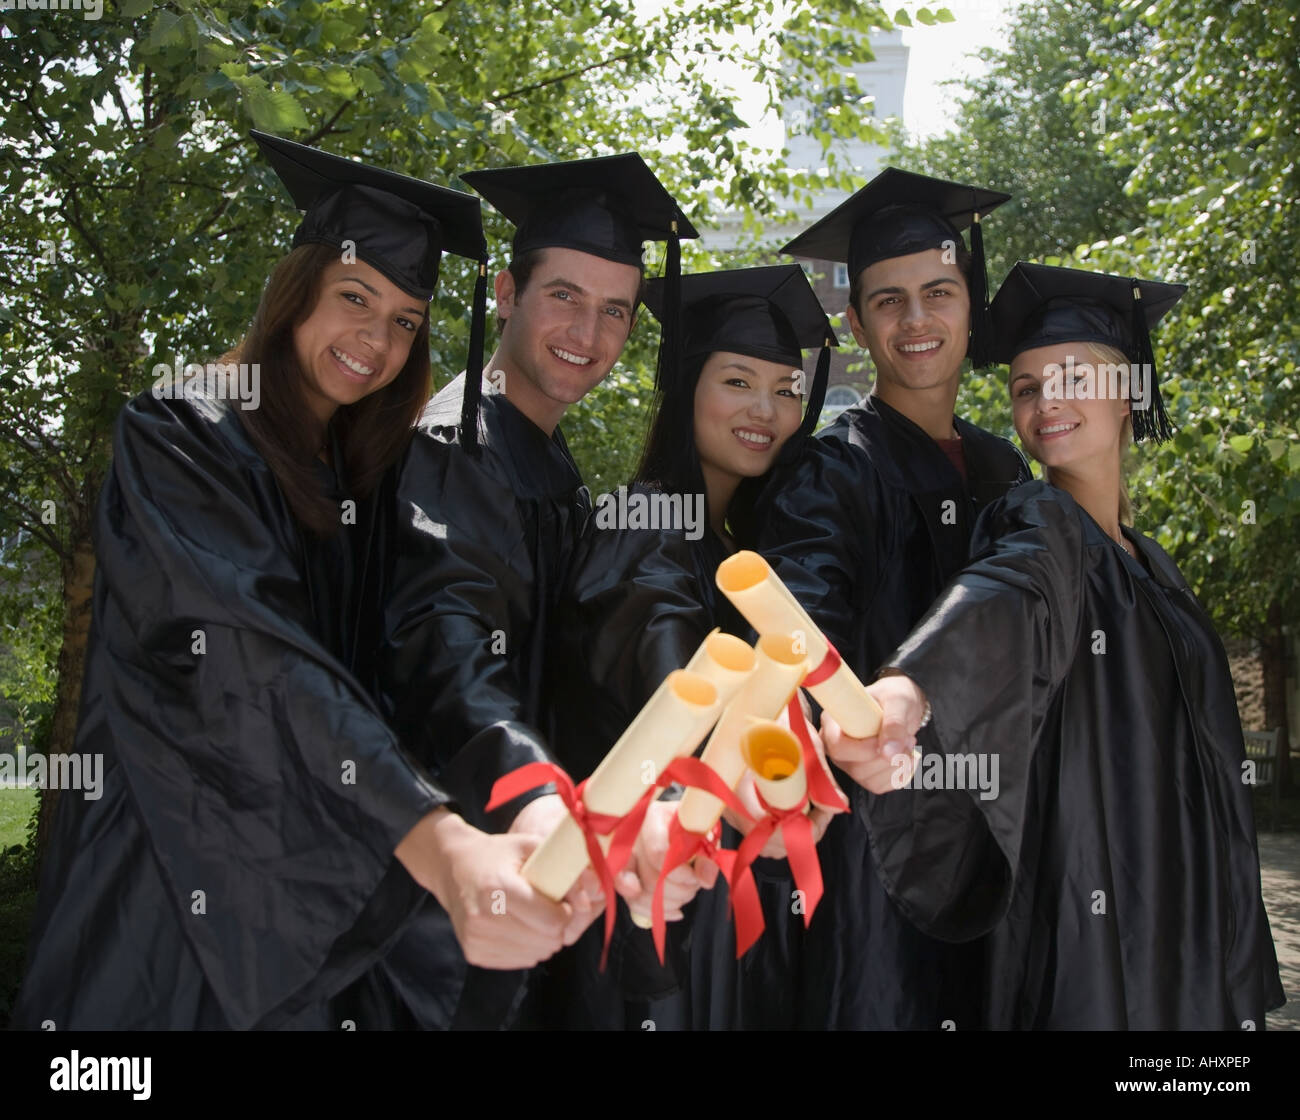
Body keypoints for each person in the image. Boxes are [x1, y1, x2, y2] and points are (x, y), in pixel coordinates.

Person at [12, 132, 579, 1030]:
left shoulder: (375, 477)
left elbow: (443, 637)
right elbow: (248, 654)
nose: (376, 339)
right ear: (297, 289)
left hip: (311, 863)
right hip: (169, 856)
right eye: (355, 297)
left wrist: (530, 788)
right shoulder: (181, 436)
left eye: (403, 320)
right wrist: (436, 844)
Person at [835, 262, 1286, 1029]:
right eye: (1025, 387)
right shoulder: (1039, 519)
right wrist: (911, 686)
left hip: (1181, 906)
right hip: (1089, 906)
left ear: (1129, 391)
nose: (1046, 402)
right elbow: (1010, 591)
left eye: (1072, 376)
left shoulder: (1154, 566)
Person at [361, 154, 706, 1029]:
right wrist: (535, 795)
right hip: (459, 886)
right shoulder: (453, 447)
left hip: (542, 866)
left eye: (615, 311)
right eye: (564, 296)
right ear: (508, 293)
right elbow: (452, 660)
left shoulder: (539, 451)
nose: (587, 333)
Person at [736, 168, 1030, 1029]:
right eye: (887, 300)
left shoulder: (1004, 470)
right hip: (880, 846)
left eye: (938, 291)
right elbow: (800, 626)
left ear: (970, 304)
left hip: (996, 830)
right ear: (856, 322)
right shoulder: (833, 469)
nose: (916, 320)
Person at [539, 264, 841, 1028]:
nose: (766, 411)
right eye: (738, 381)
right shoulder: (640, 518)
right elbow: (669, 672)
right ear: (685, 389)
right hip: (643, 908)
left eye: (785, 390)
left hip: (708, 909)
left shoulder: (734, 548)